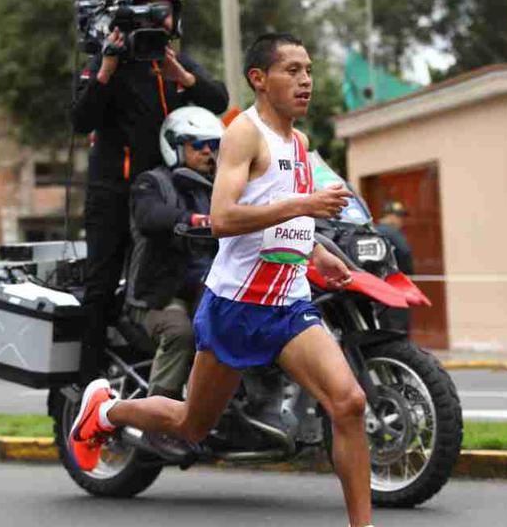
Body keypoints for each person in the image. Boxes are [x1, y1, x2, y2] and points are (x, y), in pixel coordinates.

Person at [71, 34, 375, 527]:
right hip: (236, 306)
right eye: (292, 71)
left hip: (289, 305)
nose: (305, 81)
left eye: (308, 71)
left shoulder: (297, 143)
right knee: (191, 424)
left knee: (350, 402)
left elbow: (281, 216)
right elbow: (224, 217)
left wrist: (318, 252)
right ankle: (107, 413)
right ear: (259, 79)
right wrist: (305, 205)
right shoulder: (243, 134)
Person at [72, 0, 228, 384]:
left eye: (164, 9)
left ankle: (164, 370)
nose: (159, 20)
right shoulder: (106, 61)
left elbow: (219, 102)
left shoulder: (174, 62)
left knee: (172, 279)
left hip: (164, 194)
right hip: (112, 192)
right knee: (102, 285)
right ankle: (88, 385)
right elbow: (80, 119)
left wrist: (182, 77)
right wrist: (107, 68)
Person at [126, 106, 222, 400]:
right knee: (181, 333)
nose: (208, 152)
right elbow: (149, 216)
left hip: (208, 289)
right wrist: (192, 220)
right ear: (175, 146)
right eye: (198, 145)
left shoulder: (219, 187)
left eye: (214, 145)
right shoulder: (151, 182)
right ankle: (159, 419)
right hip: (159, 296)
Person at [375, 200, 413, 275]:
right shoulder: (392, 233)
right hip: (395, 277)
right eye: (399, 216)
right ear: (390, 216)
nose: (402, 220)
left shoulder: (373, 230)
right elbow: (405, 252)